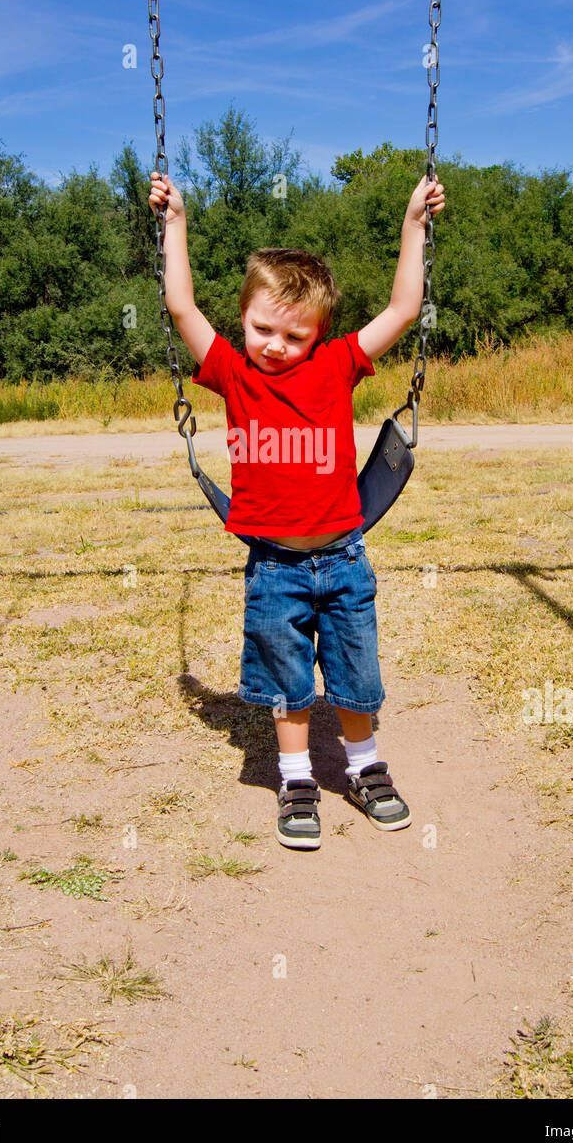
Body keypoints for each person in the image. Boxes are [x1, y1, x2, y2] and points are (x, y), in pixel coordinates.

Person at [148, 168, 445, 849]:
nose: (275, 347)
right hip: (273, 565)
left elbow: (401, 311)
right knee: (286, 681)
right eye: (261, 329)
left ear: (319, 333)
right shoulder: (231, 370)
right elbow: (180, 308)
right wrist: (176, 224)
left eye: (293, 336)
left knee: (355, 675)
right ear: (243, 319)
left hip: (342, 556)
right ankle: (294, 777)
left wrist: (412, 225)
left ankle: (366, 767)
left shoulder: (337, 364)